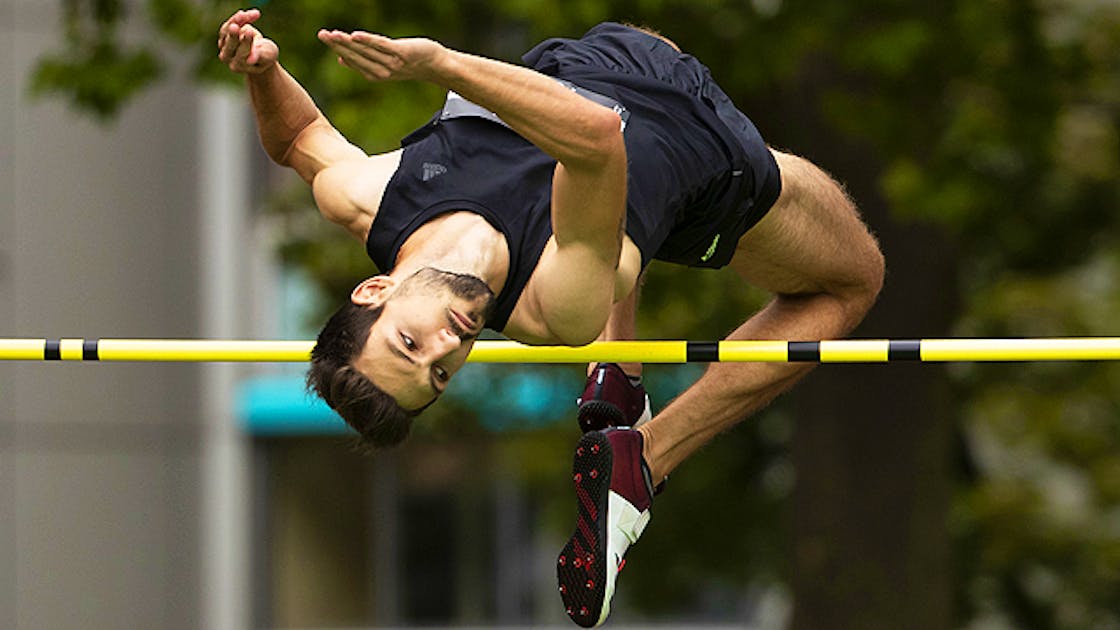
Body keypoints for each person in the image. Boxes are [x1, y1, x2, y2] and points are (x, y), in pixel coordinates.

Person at [218, 8, 884, 627]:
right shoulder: (553, 304)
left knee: (647, 39)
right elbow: (595, 140)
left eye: (410, 342)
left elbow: (300, 138)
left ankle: (616, 373)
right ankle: (646, 460)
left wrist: (264, 72)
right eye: (442, 374)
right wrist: (442, 64)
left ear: (374, 290)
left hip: (596, 63)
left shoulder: (370, 197)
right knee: (850, 280)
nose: (447, 348)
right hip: (696, 155)